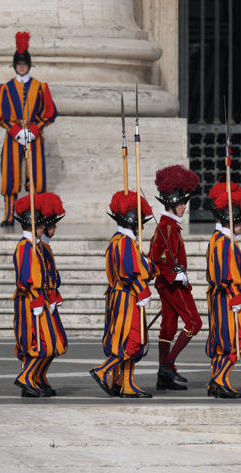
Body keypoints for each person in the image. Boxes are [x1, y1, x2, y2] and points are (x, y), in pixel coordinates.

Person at [90, 190, 156, 398]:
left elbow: (139, 267)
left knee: (128, 339)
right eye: (140, 223)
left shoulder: (120, 240)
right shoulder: (126, 242)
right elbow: (129, 272)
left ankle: (126, 384)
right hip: (128, 295)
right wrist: (143, 289)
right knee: (133, 340)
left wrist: (150, 266)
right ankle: (102, 370)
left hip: (122, 294)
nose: (142, 227)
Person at [0, 31, 58, 227]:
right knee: (10, 176)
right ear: (15, 66)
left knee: (36, 177)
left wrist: (34, 130)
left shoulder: (41, 87)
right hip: (13, 137)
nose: (21, 67)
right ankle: (9, 214)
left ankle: (35, 213)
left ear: (29, 65)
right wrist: (16, 131)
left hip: (34, 137)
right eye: (18, 64)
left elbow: (49, 113)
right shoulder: (5, 88)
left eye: (24, 64)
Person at [149, 165, 201, 391]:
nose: (184, 207)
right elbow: (156, 259)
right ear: (171, 204)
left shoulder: (169, 226)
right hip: (172, 284)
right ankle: (167, 366)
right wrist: (175, 274)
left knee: (168, 327)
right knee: (194, 322)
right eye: (181, 203)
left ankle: (163, 378)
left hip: (168, 284)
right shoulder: (167, 228)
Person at [12, 194, 66, 397]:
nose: (45, 228)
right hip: (31, 300)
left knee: (50, 342)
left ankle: (34, 378)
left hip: (40, 298)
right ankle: (26, 378)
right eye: (41, 225)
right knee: (40, 342)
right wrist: (38, 300)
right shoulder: (25, 247)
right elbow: (27, 278)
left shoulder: (34, 246)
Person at [205, 182, 241, 399]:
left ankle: (218, 383)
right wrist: (238, 295)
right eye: (239, 221)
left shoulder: (218, 239)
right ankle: (219, 379)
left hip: (222, 297)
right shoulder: (225, 243)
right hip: (228, 297)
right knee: (238, 340)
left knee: (222, 343)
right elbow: (226, 275)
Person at [36, 192, 67, 396]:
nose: (55, 229)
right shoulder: (39, 247)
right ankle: (32, 378)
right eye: (52, 225)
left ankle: (39, 376)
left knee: (57, 342)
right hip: (42, 299)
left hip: (49, 297)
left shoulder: (45, 246)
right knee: (48, 342)